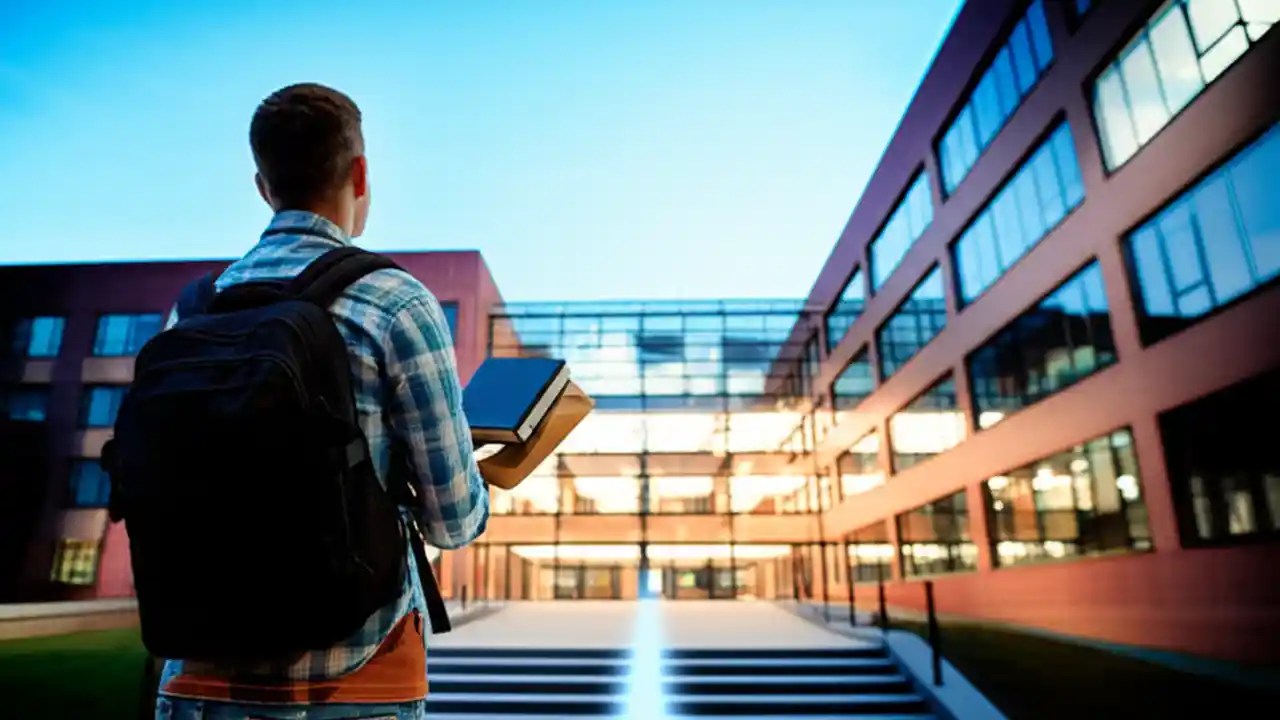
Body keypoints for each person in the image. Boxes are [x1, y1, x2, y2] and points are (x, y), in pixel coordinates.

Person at [153, 82, 490, 720]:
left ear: (262, 184)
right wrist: (478, 480)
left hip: (197, 679)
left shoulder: (193, 309)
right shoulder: (397, 302)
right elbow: (453, 520)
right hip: (351, 683)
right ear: (360, 173)